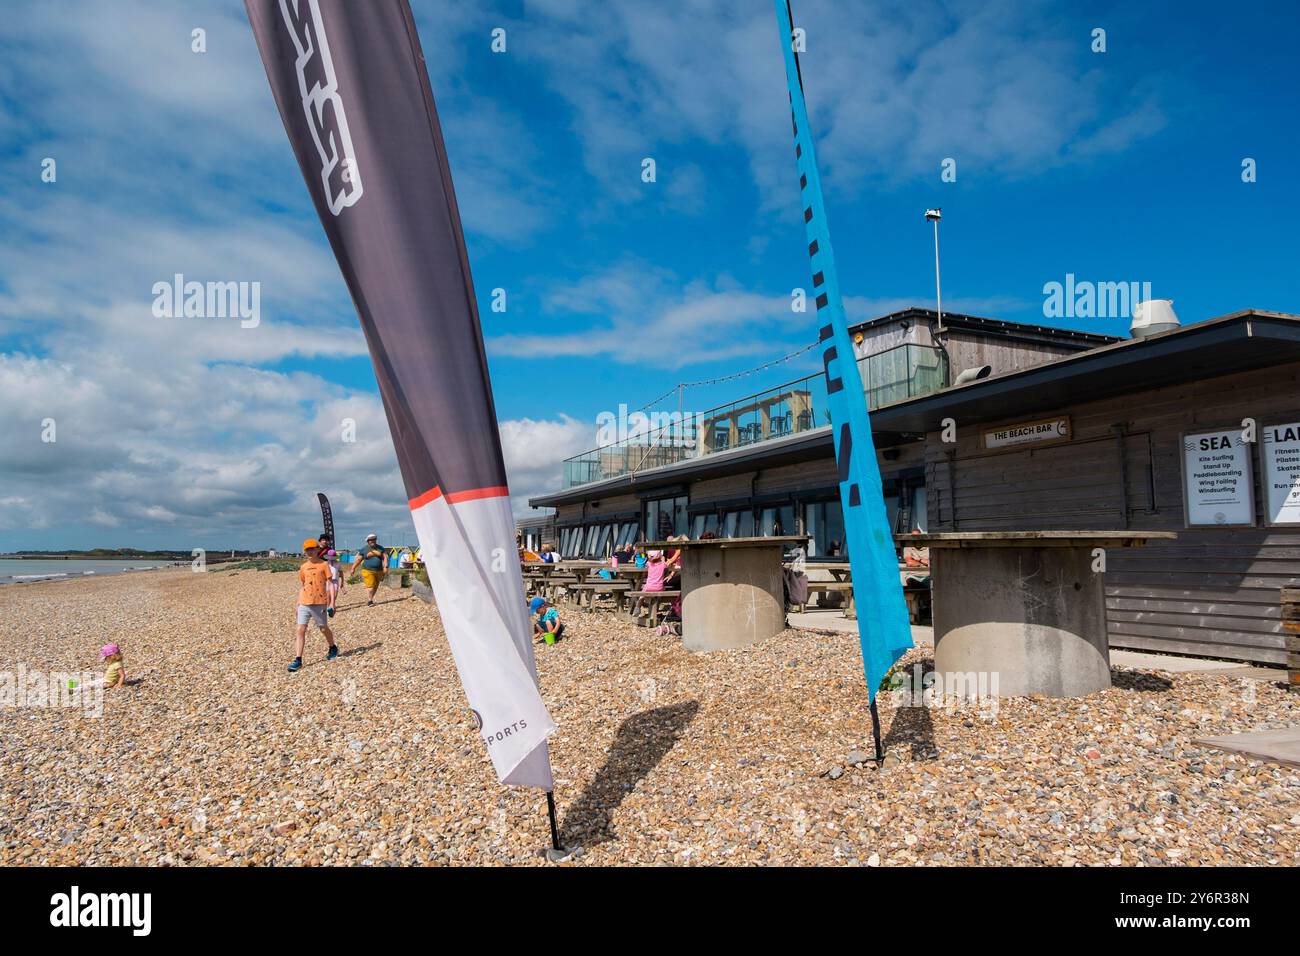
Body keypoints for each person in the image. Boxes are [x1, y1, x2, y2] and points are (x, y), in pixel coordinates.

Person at [290, 538, 339, 673]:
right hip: (304, 602)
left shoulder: (324, 565)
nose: (310, 552)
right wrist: (297, 603)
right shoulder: (303, 567)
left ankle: (332, 646)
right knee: (300, 629)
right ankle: (298, 659)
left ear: (318, 549)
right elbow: (303, 586)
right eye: (307, 550)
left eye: (312, 549)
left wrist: (332, 603)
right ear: (304, 552)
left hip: (319, 603)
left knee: (323, 628)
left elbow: (330, 584)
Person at [349, 533, 387, 606]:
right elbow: (358, 560)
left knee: (375, 585)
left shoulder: (381, 548)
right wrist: (353, 568)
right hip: (367, 570)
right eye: (371, 540)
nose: (372, 541)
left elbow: (385, 557)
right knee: (370, 586)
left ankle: (371, 598)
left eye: (374, 539)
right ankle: (370, 600)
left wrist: (385, 567)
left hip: (379, 570)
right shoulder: (364, 549)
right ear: (368, 541)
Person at [323, 548, 343, 618]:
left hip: (335, 581)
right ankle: (329, 608)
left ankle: (332, 606)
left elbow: (341, 572)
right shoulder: (325, 564)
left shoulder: (338, 564)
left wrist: (342, 581)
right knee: (328, 595)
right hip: (327, 580)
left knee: (334, 595)